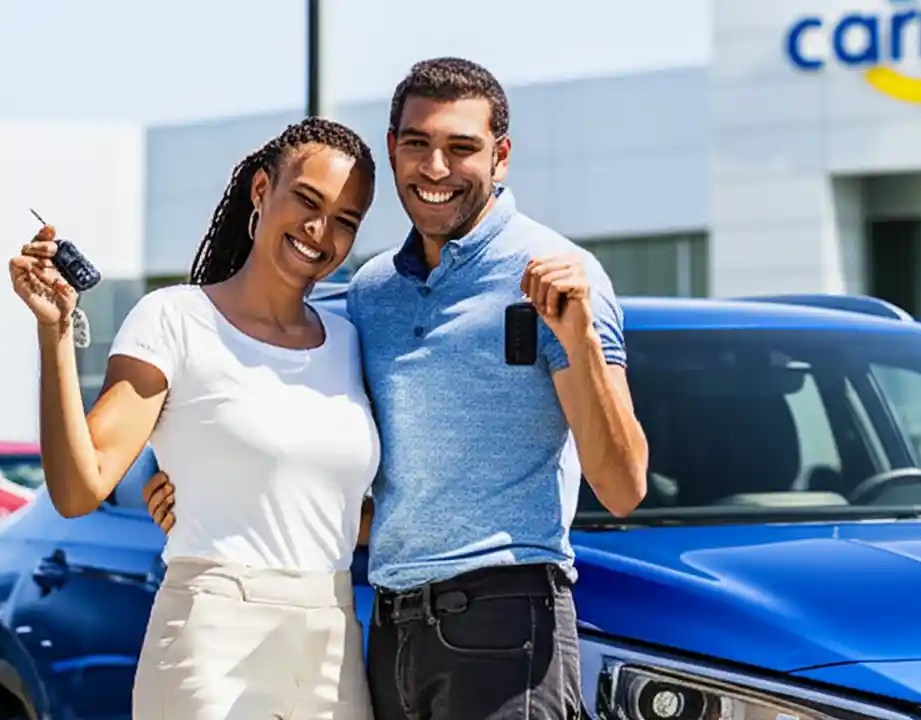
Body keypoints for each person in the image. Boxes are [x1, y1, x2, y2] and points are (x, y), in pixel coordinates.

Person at [145, 57, 650, 718]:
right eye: (418, 144)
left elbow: (622, 487)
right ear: (392, 149)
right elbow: (364, 485)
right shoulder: (372, 292)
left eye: (461, 147)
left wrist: (578, 338)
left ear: (500, 158)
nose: (435, 168)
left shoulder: (560, 276)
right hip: (389, 630)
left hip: (506, 627)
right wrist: (220, 494)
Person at [9, 116, 382, 719]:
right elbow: (80, 487)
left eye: (346, 219)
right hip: (213, 635)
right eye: (307, 201)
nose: (321, 231)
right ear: (262, 189)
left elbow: (338, 509)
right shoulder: (175, 319)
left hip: (331, 639)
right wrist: (54, 334)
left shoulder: (350, 341)